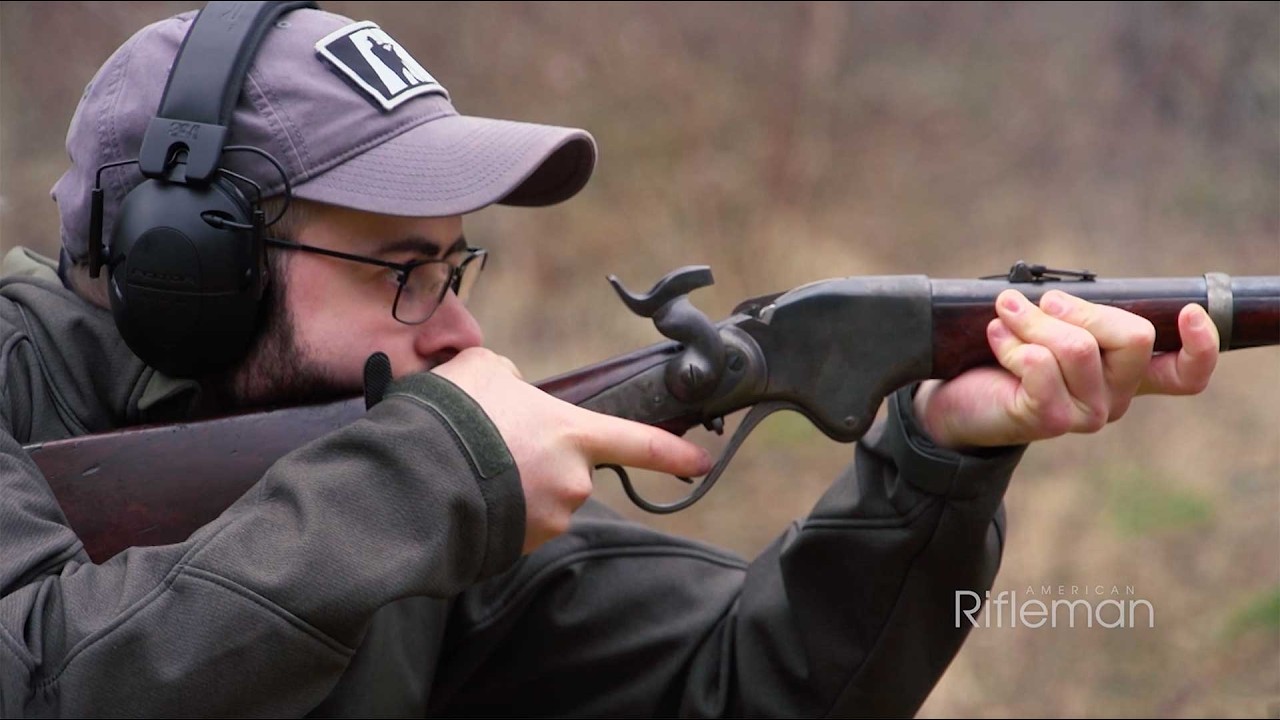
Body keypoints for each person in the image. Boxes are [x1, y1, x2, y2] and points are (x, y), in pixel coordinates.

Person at [0, 5, 1220, 717]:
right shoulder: (401, 480)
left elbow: (752, 687)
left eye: (452, 266)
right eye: (397, 268)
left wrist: (940, 461)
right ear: (188, 273)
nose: (459, 335)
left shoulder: (387, 488)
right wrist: (434, 472)